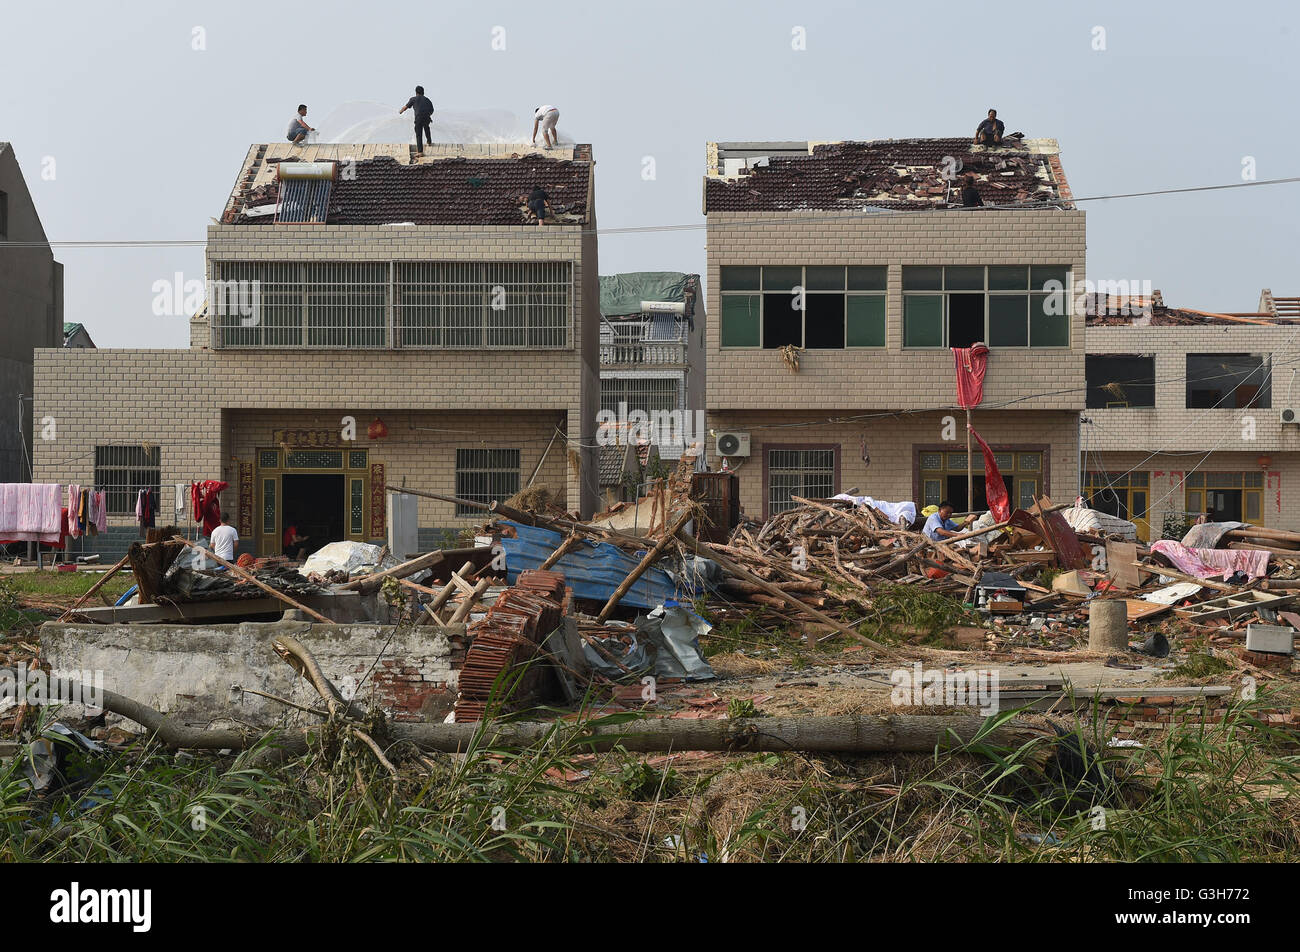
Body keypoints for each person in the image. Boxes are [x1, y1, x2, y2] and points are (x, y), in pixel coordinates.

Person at [399, 85, 435, 154]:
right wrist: (428, 115)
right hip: (426, 117)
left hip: (418, 118)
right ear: (423, 92)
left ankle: (420, 152)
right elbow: (432, 110)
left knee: (419, 134)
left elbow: (405, 107)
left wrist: (400, 111)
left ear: (416, 92)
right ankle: (429, 141)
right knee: (426, 128)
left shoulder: (413, 99)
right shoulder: (427, 100)